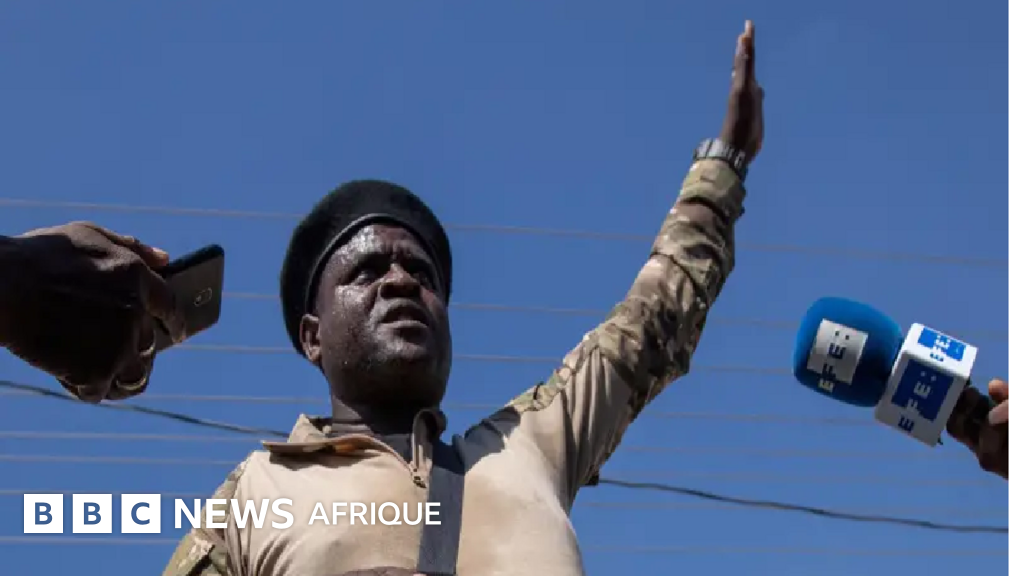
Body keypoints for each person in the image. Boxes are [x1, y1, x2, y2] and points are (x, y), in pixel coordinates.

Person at [0, 21, 1003, 576]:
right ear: (311, 336)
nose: (404, 279)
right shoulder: (249, 496)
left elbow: (649, 323)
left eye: (423, 272)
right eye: (368, 271)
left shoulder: (530, 444)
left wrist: (726, 165)